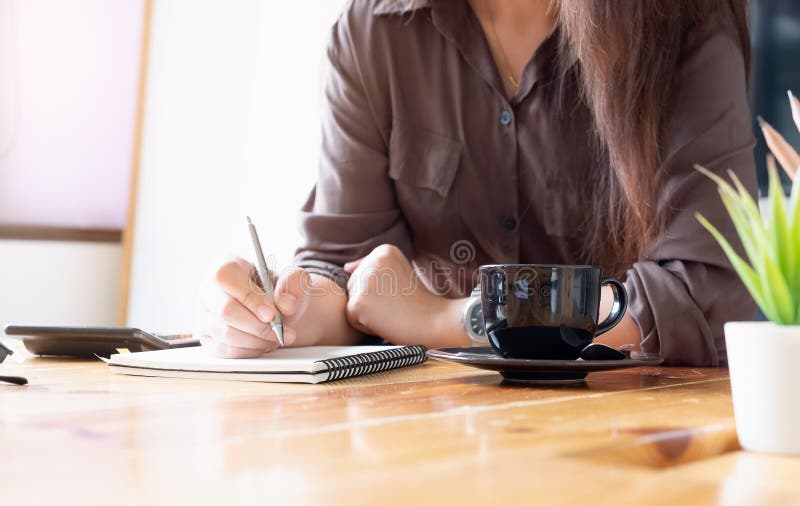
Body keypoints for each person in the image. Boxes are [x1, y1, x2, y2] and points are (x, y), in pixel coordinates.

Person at [199, 0, 756, 366]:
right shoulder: (375, 30)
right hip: (442, 437)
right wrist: (282, 310)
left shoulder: (681, 21)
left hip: (640, 437)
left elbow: (700, 295)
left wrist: (450, 320)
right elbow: (350, 270)